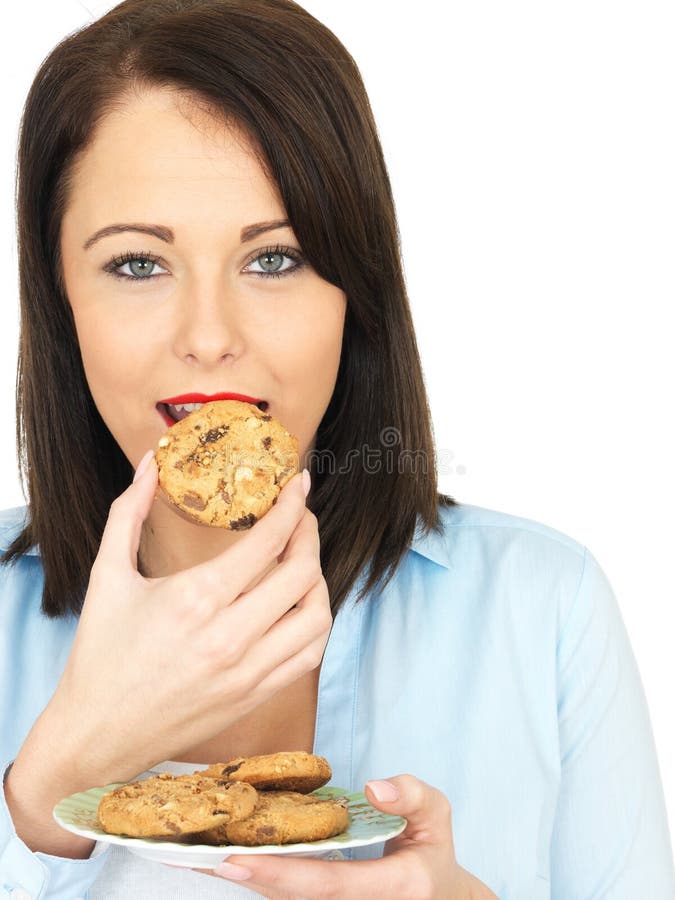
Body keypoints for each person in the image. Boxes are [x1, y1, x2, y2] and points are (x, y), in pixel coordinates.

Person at [0, 0, 673, 897]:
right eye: (137, 263)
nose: (208, 337)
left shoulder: (544, 608)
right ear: (60, 298)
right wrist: (51, 786)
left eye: (274, 258)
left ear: (354, 286)